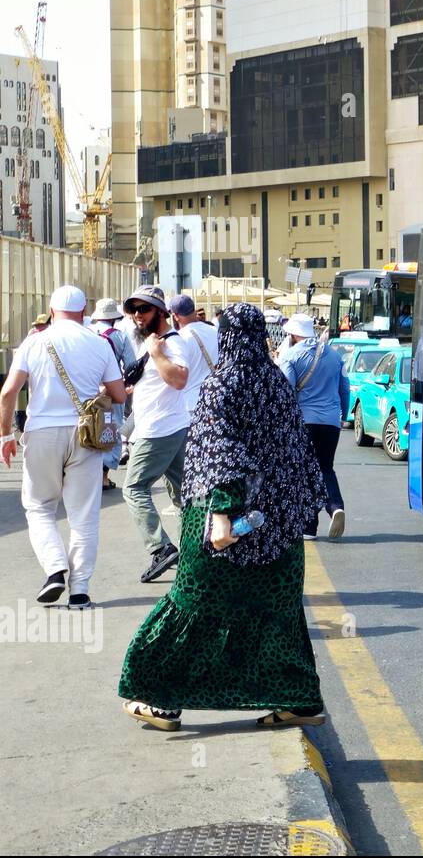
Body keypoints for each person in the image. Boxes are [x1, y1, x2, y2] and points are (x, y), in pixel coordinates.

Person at [118, 302, 328, 731]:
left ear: (227, 336)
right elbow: (300, 456)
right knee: (277, 615)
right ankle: (301, 701)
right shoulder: (278, 383)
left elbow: (222, 456)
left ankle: (162, 701)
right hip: (278, 527)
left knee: (194, 606)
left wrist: (224, 516)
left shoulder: (221, 385)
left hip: (222, 525)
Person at [0, 286, 127, 608]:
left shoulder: (33, 342)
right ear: (84, 312)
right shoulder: (99, 344)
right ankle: (80, 590)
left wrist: (5, 436)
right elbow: (120, 396)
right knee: (83, 516)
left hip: (42, 431)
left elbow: (8, 393)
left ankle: (55, 568)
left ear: (52, 310)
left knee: (40, 506)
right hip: (86, 433)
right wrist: (96, 389)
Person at [121, 285, 192, 583]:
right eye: (134, 310)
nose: (138, 315)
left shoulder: (170, 344)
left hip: (158, 430)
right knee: (184, 495)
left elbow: (178, 379)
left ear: (161, 312)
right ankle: (195, 552)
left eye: (144, 309)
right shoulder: (150, 340)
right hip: (170, 426)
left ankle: (160, 547)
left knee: (134, 488)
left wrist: (156, 354)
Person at [280, 313, 348, 539]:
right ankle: (335, 505)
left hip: (303, 422)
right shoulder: (335, 356)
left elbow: (286, 391)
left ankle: (309, 527)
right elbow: (345, 389)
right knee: (326, 467)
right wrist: (343, 415)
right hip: (331, 422)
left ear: (294, 334)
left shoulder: (290, 355)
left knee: (303, 471)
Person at [91, 298, 132, 490]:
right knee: (111, 428)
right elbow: (131, 364)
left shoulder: (85, 333)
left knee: (87, 427)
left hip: (87, 389)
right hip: (111, 389)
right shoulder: (120, 336)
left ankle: (86, 472)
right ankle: (103, 477)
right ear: (114, 318)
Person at [167, 293, 219, 414]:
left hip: (190, 403)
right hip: (215, 399)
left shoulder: (179, 338)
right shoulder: (214, 330)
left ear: (175, 316)